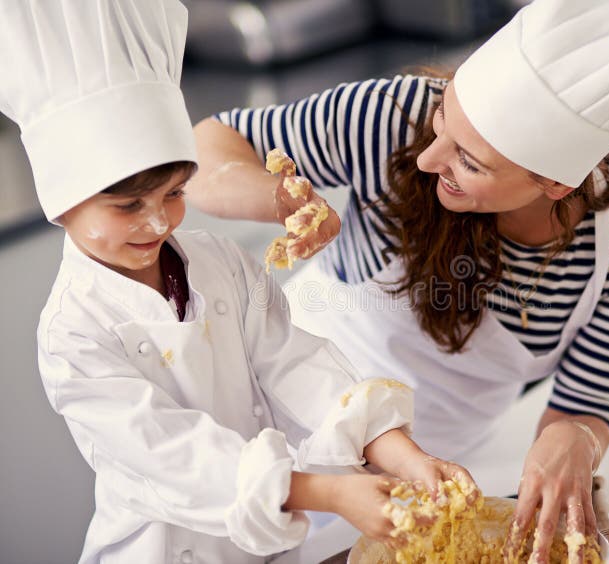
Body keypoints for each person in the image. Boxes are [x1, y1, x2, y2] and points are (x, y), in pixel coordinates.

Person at [187, 0, 609, 561]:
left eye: (469, 161)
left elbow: (585, 403)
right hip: (270, 422)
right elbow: (209, 144)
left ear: (557, 184)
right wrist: (280, 200)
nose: (428, 159)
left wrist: (578, 439)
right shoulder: (392, 119)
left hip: (430, 471)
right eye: (444, 120)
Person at [0, 2, 477, 563]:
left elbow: (295, 364)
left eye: (174, 194)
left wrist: (396, 450)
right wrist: (326, 492)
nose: (158, 222)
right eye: (128, 206)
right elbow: (172, 455)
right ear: (61, 203)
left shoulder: (218, 261)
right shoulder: (73, 335)